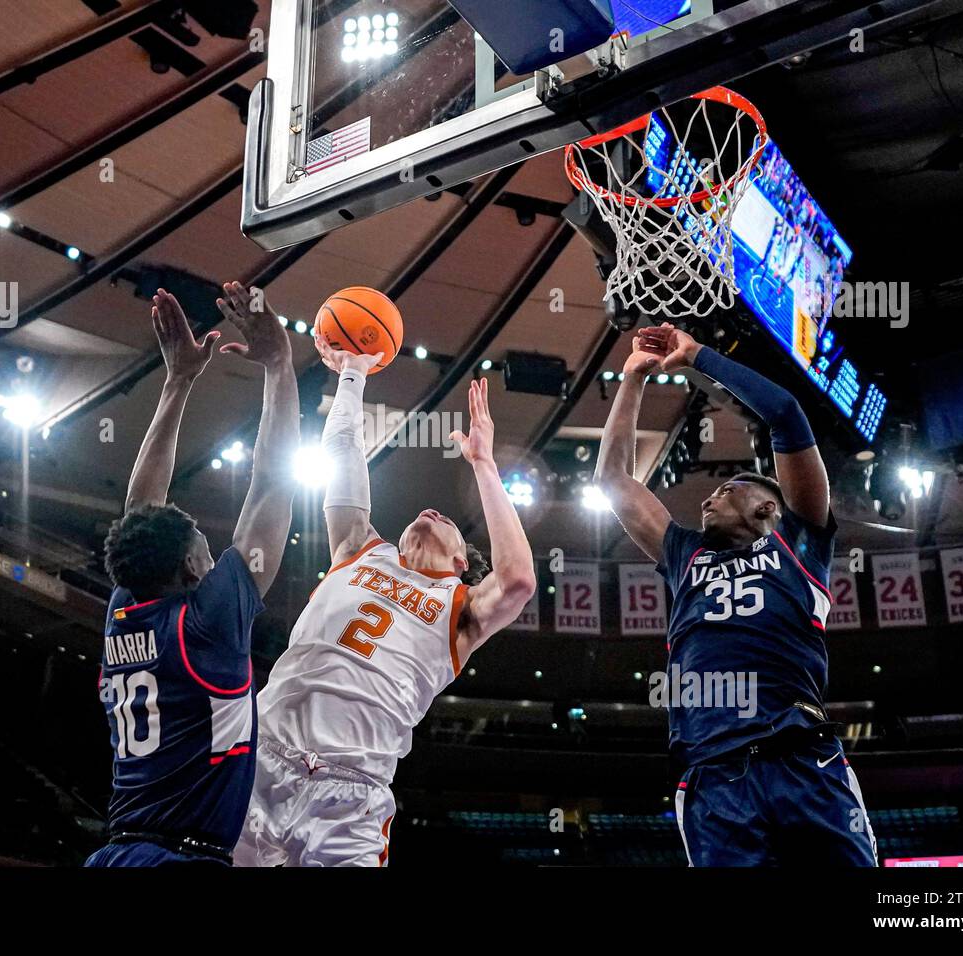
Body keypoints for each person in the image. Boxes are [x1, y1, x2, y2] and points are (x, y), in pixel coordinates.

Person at [234, 337, 537, 866]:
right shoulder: (358, 549)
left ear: (464, 562)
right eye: (428, 512)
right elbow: (343, 448)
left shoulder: (461, 610)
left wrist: (484, 465)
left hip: (350, 798)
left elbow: (517, 581)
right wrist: (353, 375)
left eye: (447, 520)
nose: (431, 511)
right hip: (260, 759)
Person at [594, 323, 878, 866]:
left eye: (727, 490)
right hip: (712, 771)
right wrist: (631, 380)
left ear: (768, 508)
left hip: (802, 758)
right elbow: (613, 482)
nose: (710, 499)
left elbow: (786, 414)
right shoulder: (686, 555)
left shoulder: (801, 542)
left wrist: (697, 355)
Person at [85, 282, 299, 867]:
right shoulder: (208, 625)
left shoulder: (129, 608)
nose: (213, 550)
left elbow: (140, 513)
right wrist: (279, 366)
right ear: (189, 565)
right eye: (204, 544)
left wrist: (178, 381)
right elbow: (273, 487)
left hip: (118, 855)